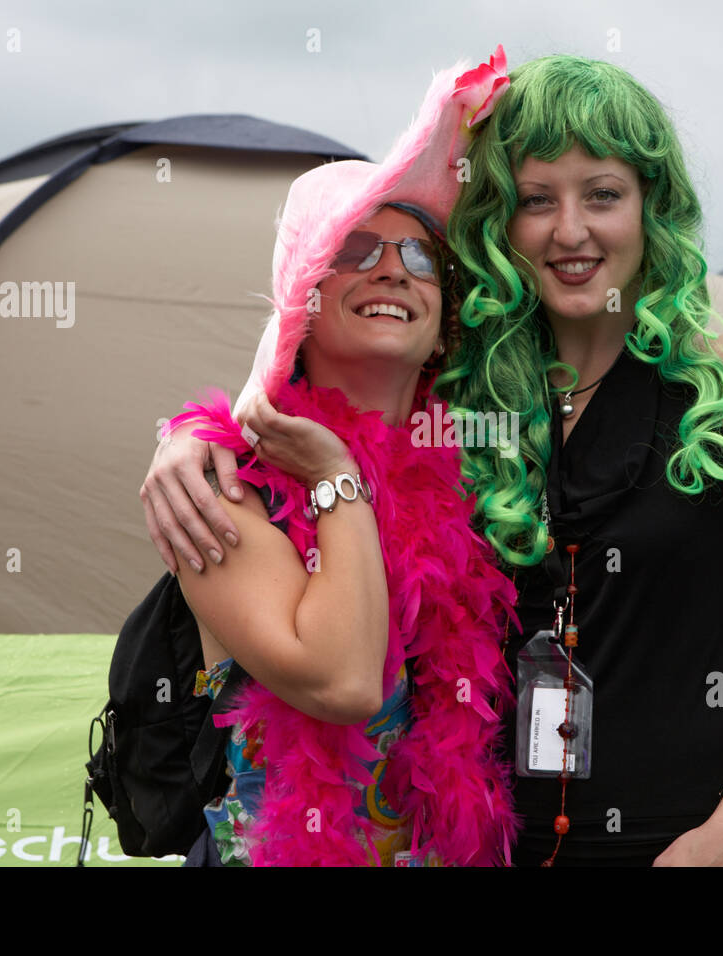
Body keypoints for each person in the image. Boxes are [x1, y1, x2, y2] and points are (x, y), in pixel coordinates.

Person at [148, 53, 723, 868]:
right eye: (537, 200)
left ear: (654, 207)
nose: (570, 230)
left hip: (690, 846)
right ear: (500, 220)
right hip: (496, 848)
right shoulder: (466, 384)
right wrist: (194, 440)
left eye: (604, 195)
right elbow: (325, 371)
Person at [146, 49, 518, 867]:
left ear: (445, 319)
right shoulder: (226, 487)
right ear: (301, 307)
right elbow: (345, 685)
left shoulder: (481, 476)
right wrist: (333, 479)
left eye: (423, 256)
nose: (394, 268)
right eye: (356, 250)